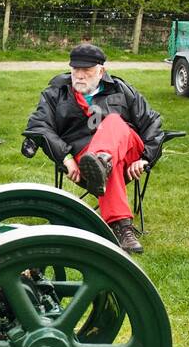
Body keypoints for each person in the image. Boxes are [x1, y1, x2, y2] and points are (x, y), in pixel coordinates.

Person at [22, 43, 163, 254]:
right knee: (107, 164)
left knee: (114, 122)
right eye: (75, 70)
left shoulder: (121, 90)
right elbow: (38, 126)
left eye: (86, 71)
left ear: (101, 71)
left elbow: (152, 122)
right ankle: (121, 227)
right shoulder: (56, 93)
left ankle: (99, 162)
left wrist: (145, 158)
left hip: (128, 150)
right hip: (83, 159)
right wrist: (66, 157)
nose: (79, 75)